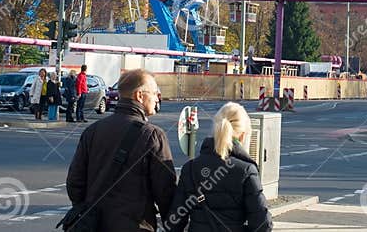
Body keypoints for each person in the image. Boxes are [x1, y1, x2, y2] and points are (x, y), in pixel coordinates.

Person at [66, 68, 176, 232]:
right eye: (155, 93)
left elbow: (75, 182)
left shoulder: (93, 131)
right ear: (139, 95)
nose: (157, 98)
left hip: (94, 225)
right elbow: (165, 191)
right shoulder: (153, 136)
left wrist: (88, 211)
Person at [163, 102, 272, 232]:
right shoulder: (246, 170)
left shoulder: (190, 168)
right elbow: (263, 224)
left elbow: (175, 221)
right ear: (243, 135)